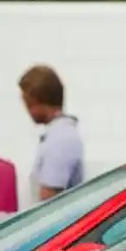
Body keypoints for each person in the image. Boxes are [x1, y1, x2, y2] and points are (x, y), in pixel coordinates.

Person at [19, 64, 83, 201]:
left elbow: (49, 198)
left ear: (35, 100)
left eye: (27, 103)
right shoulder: (59, 134)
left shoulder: (61, 139)